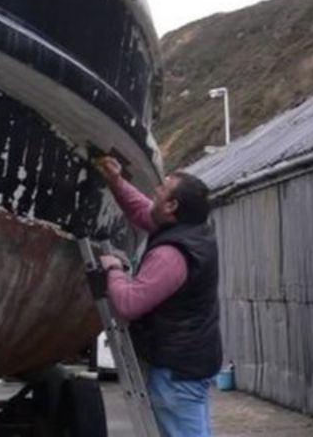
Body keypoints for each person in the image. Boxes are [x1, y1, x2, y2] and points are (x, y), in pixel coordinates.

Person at [95, 156, 221, 437]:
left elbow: (129, 304)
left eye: (162, 189)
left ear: (172, 206)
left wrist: (114, 269)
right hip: (192, 363)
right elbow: (145, 212)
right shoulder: (193, 232)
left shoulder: (171, 255)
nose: (155, 190)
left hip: (176, 373)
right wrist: (117, 182)